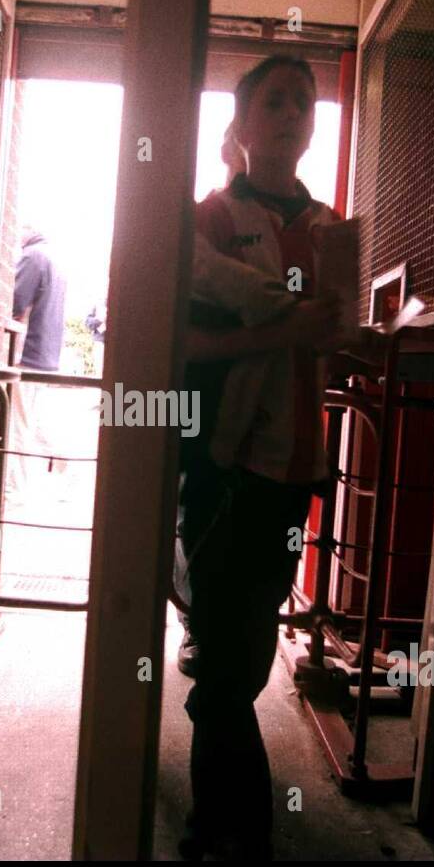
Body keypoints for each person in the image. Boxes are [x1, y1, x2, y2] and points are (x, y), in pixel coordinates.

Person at [175, 55, 388, 860]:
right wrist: (282, 332)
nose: (293, 111)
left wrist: (363, 342)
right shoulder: (211, 222)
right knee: (231, 669)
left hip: (295, 475)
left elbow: (329, 351)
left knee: (243, 651)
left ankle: (223, 829)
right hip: (226, 465)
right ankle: (229, 835)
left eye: (304, 100)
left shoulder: (334, 230)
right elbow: (184, 343)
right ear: (240, 125)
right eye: (274, 100)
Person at [176, 119, 251, 678]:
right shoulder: (208, 216)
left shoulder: (302, 224)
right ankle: (198, 626)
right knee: (197, 515)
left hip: (255, 406)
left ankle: (211, 631)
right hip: (205, 397)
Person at [6, 227, 67, 502]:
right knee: (34, 419)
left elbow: (15, 301)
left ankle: (14, 489)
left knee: (17, 422)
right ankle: (66, 464)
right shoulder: (55, 258)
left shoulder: (32, 256)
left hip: (27, 354)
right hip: (46, 355)